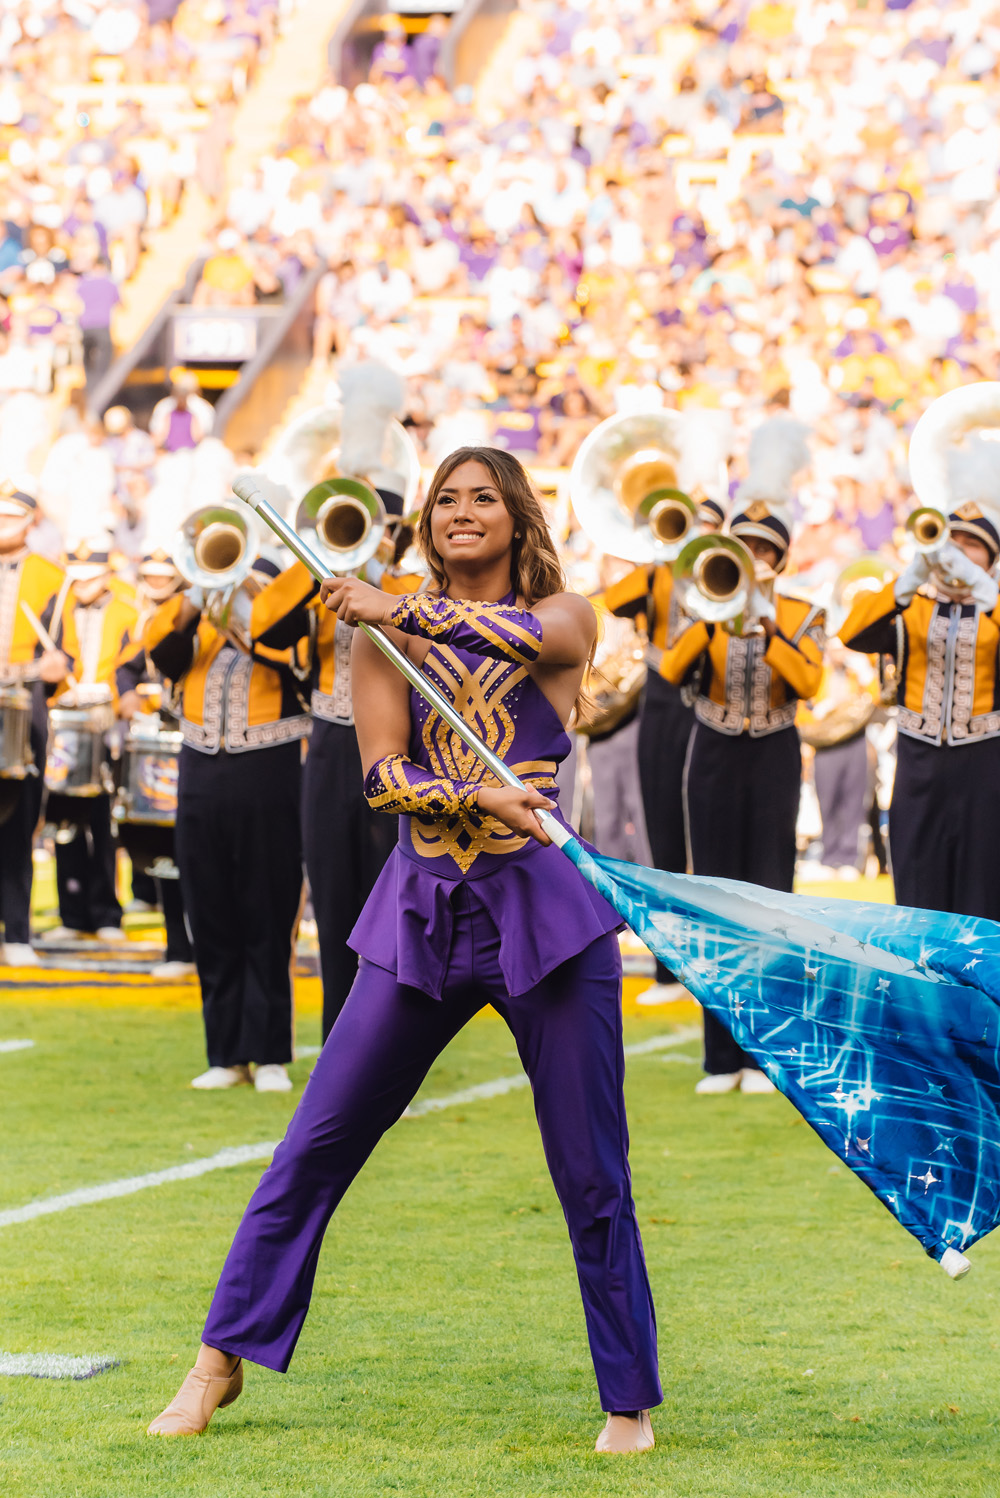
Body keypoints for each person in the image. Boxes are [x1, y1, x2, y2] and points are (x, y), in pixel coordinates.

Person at [147, 447, 662, 1455]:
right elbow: (381, 777)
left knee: (591, 1168)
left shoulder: (565, 618)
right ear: (424, 522)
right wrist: (473, 789)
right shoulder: (378, 637)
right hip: (420, 913)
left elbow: (524, 634)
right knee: (313, 1146)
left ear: (516, 516)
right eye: (444, 501)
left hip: (547, 917)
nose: (461, 512)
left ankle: (627, 1398)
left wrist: (396, 607)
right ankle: (218, 1358)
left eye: (483, 498)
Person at [661, 428, 824, 1094]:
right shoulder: (701, 598)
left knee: (769, 896)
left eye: (763, 549)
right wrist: (715, 615)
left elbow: (810, 684)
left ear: (780, 556)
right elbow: (672, 671)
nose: (752, 557)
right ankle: (720, 1056)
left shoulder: (802, 610)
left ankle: (765, 1057)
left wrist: (766, 624)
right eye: (745, 546)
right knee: (713, 898)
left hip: (775, 753)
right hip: (714, 752)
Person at [142, 550, 311, 1092]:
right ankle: (225, 1053)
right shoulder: (198, 629)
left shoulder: (283, 625)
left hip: (268, 769)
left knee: (268, 905)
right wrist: (193, 605)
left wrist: (249, 617)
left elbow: (294, 657)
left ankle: (269, 1055)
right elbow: (165, 656)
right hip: (200, 772)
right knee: (209, 908)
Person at [840, 493, 1000, 920]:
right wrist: (906, 581)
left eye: (972, 545)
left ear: (990, 558)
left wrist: (988, 591)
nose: (958, 552)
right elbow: (851, 633)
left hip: (986, 769)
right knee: (916, 885)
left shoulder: (995, 607)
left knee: (983, 889)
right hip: (917, 764)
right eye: (952, 540)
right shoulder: (913, 606)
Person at [604, 496, 725, 1004]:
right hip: (659, 697)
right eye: (688, 523)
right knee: (661, 836)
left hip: (708, 697)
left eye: (707, 526)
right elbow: (614, 600)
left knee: (708, 841)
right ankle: (668, 969)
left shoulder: (724, 572)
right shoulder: (659, 573)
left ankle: (714, 966)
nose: (694, 532)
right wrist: (662, 555)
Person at [43, 542, 136, 941]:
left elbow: (130, 667)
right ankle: (72, 914)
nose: (81, 587)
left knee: (103, 822)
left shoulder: (128, 612)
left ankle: (106, 913)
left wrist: (110, 700)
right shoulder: (58, 606)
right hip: (65, 720)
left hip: (105, 722)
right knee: (64, 820)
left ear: (107, 574)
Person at [0, 484, 75, 965]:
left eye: (13, 516)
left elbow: (64, 655)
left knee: (17, 819)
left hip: (23, 705)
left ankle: (17, 933)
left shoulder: (52, 576)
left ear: (30, 521)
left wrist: (49, 667)